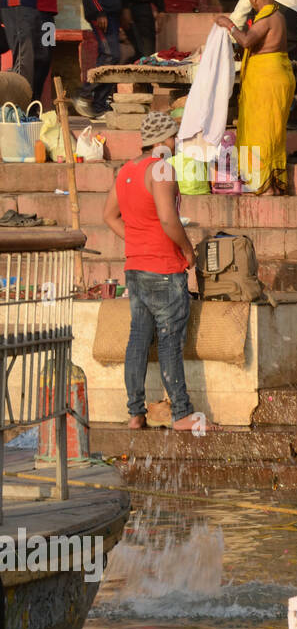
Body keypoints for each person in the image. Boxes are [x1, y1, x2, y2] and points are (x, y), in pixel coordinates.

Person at [100, 112, 203, 433]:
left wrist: (138, 240)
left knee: (138, 341)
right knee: (171, 342)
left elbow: (109, 216)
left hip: (135, 267)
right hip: (163, 269)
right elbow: (169, 219)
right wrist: (188, 250)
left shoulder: (127, 170)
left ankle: (135, 413)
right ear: (162, 141)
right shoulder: (161, 168)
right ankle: (182, 414)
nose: (176, 145)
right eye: (173, 139)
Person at [216, 0, 296, 195]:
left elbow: (246, 41)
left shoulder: (266, 19)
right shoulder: (278, 15)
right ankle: (272, 183)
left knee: (260, 133)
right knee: (272, 133)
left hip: (267, 80)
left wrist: (229, 24)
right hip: (278, 76)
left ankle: (265, 186)